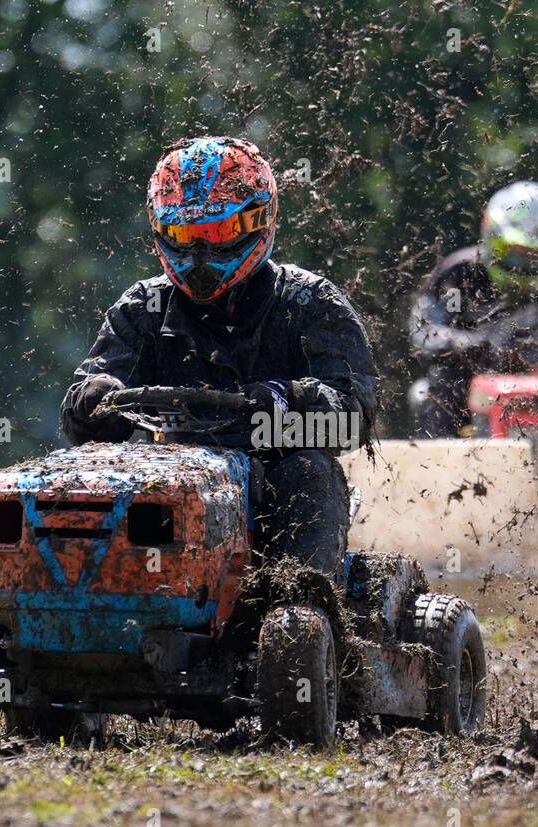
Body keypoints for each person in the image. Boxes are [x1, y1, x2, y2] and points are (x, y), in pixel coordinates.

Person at [60, 136, 376, 577]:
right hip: (166, 481)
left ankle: (301, 602)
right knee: (91, 471)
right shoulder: (143, 308)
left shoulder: (309, 302)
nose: (200, 255)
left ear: (257, 222)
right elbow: (81, 415)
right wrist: (98, 399)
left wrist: (285, 401)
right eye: (186, 237)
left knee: (311, 470)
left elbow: (353, 421)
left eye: (216, 234)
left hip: (272, 490)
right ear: (161, 232)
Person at [408, 181, 538, 438]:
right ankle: (441, 473)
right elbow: (423, 330)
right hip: (468, 391)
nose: (520, 264)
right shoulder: (458, 274)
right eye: (511, 252)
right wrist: (468, 346)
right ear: (490, 239)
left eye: (533, 256)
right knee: (428, 392)